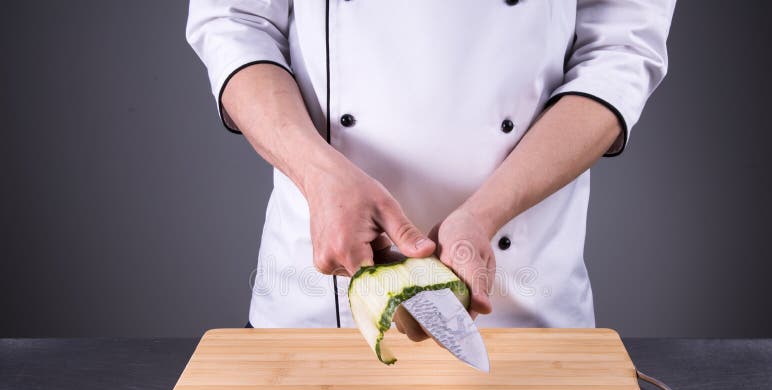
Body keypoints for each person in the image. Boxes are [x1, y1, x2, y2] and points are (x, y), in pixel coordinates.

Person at [186, 1, 675, 339]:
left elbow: (619, 52)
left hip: (523, 303)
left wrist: (485, 214)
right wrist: (319, 176)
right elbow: (235, 25)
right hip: (319, 304)